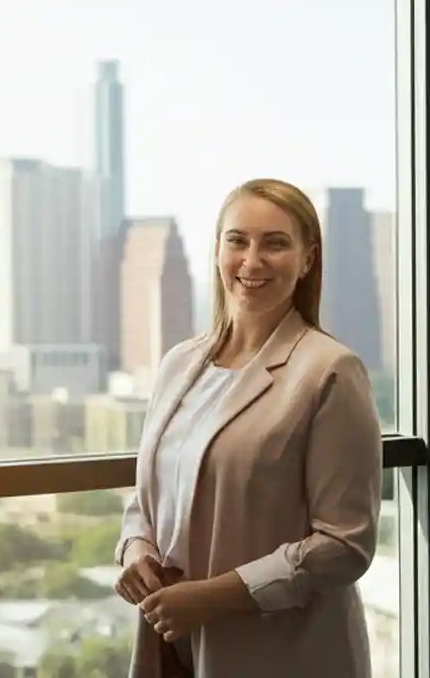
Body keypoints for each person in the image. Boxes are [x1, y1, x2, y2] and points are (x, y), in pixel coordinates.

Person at [112, 178, 383, 677]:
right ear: (218, 249)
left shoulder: (330, 371)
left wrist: (212, 598)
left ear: (307, 259)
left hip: (282, 653)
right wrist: (134, 548)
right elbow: (149, 495)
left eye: (275, 243)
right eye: (237, 240)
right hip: (171, 645)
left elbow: (345, 545)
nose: (251, 260)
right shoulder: (179, 363)